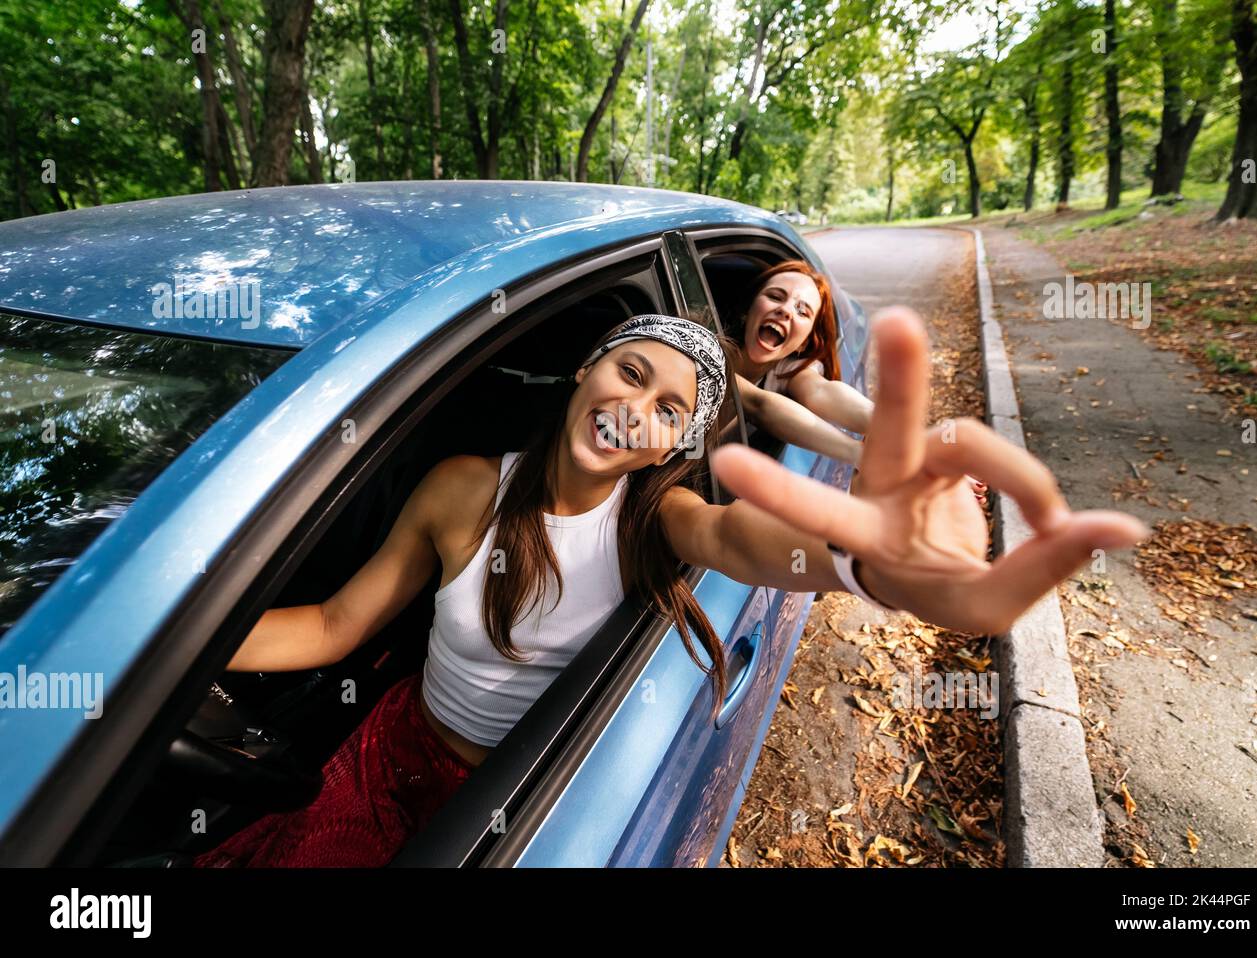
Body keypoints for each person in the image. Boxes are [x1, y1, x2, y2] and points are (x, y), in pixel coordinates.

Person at [192, 308, 1145, 867]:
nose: (629, 411)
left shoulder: (662, 518)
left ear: (678, 448)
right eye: (627, 372)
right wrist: (155, 645)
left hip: (494, 798)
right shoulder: (463, 486)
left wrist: (869, 567)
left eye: (666, 411)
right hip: (387, 748)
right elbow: (330, 624)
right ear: (585, 365)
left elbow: (743, 538)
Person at [726, 259, 985, 500]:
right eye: (775, 297)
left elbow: (822, 392)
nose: (785, 311)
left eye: (802, 311)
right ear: (747, 311)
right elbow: (759, 405)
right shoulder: (707, 353)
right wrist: (862, 456)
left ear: (803, 342)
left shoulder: (786, 369)